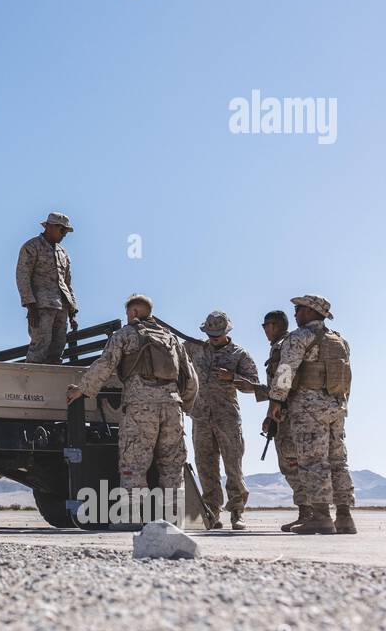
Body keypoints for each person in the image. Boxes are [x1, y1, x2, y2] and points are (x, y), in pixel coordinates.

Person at [67, 294, 197, 522]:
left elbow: (106, 363)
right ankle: (174, 520)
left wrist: (83, 389)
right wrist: (183, 404)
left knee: (134, 465)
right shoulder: (171, 338)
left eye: (128, 313)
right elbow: (191, 378)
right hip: (172, 408)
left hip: (140, 407)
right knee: (172, 467)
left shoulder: (126, 335)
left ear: (134, 312)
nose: (127, 318)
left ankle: (133, 517)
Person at [266, 295, 356, 535]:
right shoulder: (339, 340)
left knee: (313, 461)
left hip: (308, 408)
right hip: (336, 407)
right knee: (338, 461)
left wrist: (276, 399)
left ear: (310, 312)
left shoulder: (299, 337)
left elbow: (286, 370)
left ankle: (322, 517)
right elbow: (346, 378)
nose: (295, 314)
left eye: (298, 309)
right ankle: (345, 517)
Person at [231, 310, 309, 531]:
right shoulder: (285, 345)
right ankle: (309, 511)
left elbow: (284, 384)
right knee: (294, 463)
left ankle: (308, 511)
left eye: (266, 325)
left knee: (292, 464)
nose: (264, 329)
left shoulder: (284, 346)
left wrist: (258, 393)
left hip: (289, 414)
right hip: (287, 412)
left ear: (275, 325)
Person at [186, 311, 258, 530]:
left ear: (227, 331)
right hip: (200, 416)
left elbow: (254, 384)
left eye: (218, 333)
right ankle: (211, 512)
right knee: (205, 467)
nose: (214, 337)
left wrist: (233, 378)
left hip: (227, 417)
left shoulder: (239, 354)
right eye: (210, 333)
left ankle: (237, 512)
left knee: (233, 466)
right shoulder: (194, 348)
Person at [15, 212, 79, 364]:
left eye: (66, 231)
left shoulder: (63, 253)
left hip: (61, 307)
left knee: (58, 347)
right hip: (41, 306)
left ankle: (52, 384)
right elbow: (22, 277)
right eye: (61, 229)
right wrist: (30, 307)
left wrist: (72, 311)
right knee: (40, 346)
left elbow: (67, 283)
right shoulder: (32, 247)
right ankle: (31, 383)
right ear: (49, 227)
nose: (64, 234)